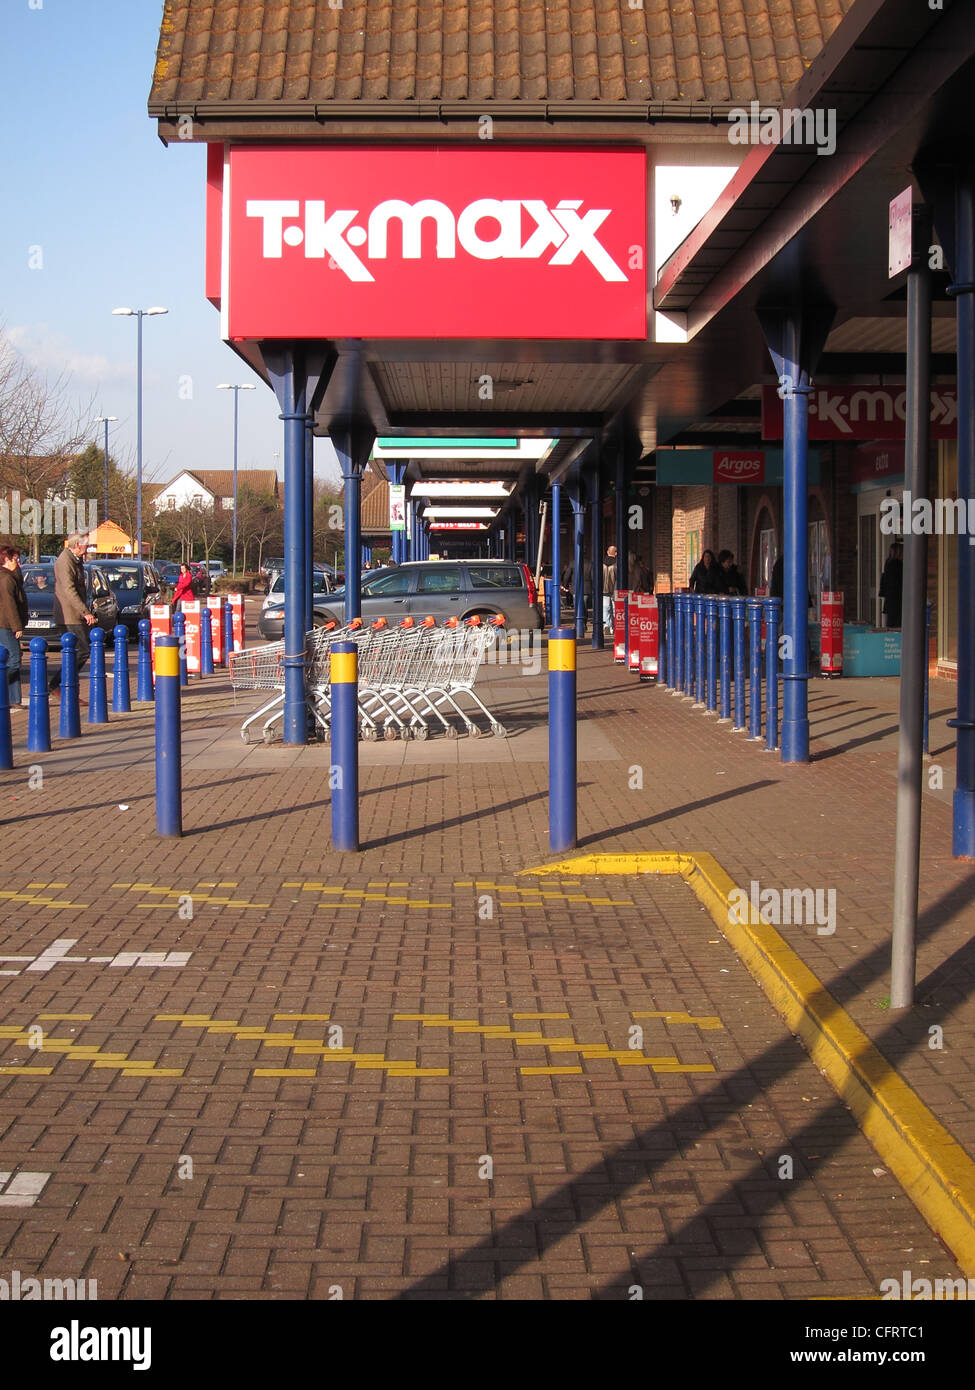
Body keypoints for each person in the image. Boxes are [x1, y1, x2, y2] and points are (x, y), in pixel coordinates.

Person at [49, 532, 96, 692]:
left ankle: (68, 688)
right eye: (86, 545)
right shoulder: (65, 561)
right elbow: (69, 590)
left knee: (77, 651)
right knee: (82, 650)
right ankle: (58, 684)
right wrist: (85, 612)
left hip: (74, 615)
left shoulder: (76, 560)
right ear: (77, 545)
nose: (87, 548)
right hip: (69, 615)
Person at [0, 546, 28, 709]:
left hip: (6, 624)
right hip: (5, 624)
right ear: (6, 560)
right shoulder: (6, 580)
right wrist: (17, 626)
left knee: (11, 658)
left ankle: (15, 698)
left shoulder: (11, 576)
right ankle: (8, 693)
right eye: (15, 560)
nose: (18, 563)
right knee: (15, 658)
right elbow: (10, 605)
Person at [880, 540, 903, 628]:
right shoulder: (898, 565)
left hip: (890, 600)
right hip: (897, 600)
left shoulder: (888, 563)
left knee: (891, 623)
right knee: (897, 623)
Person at [602, 545, 618, 633]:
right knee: (615, 609)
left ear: (607, 552)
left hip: (604, 590)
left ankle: (607, 624)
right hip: (614, 590)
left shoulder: (602, 563)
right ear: (615, 553)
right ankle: (615, 627)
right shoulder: (617, 564)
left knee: (605, 608)